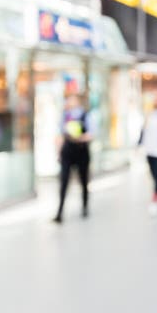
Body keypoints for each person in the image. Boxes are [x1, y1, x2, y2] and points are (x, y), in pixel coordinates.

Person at [53, 93, 94, 223]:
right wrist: (58, 152)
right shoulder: (65, 116)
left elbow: (91, 134)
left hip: (81, 151)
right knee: (64, 181)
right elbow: (60, 135)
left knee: (83, 180)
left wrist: (79, 138)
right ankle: (60, 211)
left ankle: (85, 206)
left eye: (71, 100)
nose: (69, 102)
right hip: (67, 151)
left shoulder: (85, 115)